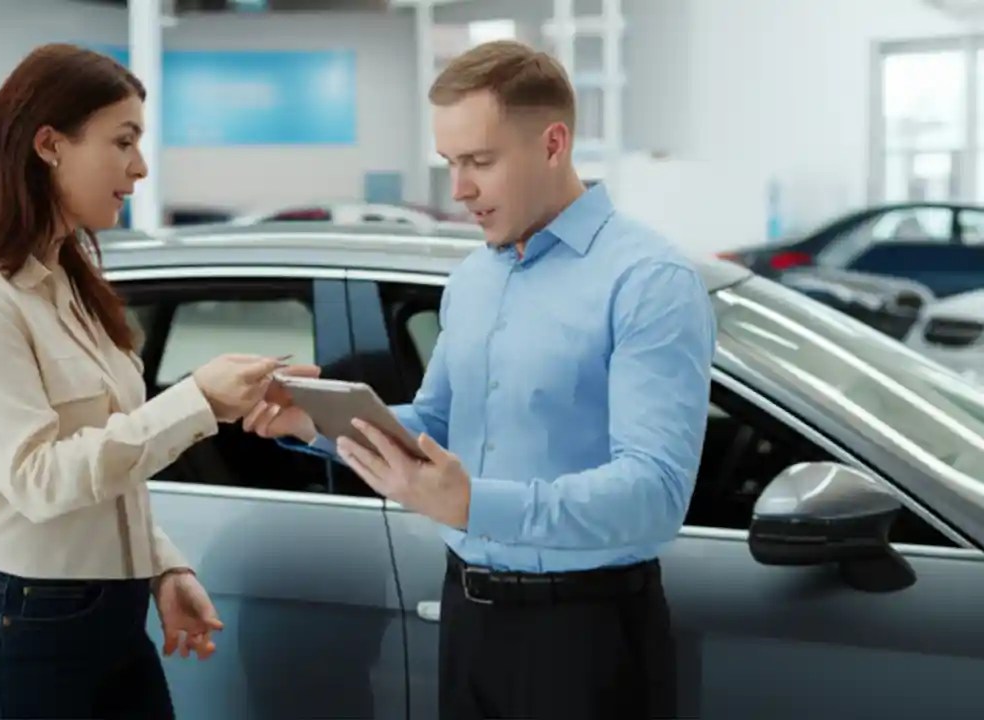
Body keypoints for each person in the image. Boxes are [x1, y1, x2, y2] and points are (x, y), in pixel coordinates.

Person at [246, 39, 715, 720]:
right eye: (450, 164)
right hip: (468, 619)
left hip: (585, 635)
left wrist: (474, 505)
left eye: (479, 163)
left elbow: (655, 491)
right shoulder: (473, 279)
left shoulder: (648, 280)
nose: (459, 189)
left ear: (553, 143)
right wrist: (312, 420)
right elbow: (436, 424)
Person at [0, 43, 317, 719]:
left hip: (108, 617)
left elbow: (102, 454)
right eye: (122, 141)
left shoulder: (68, 280)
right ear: (48, 144)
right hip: (19, 629)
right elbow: (38, 478)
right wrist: (197, 402)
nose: (140, 167)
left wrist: (160, 565)